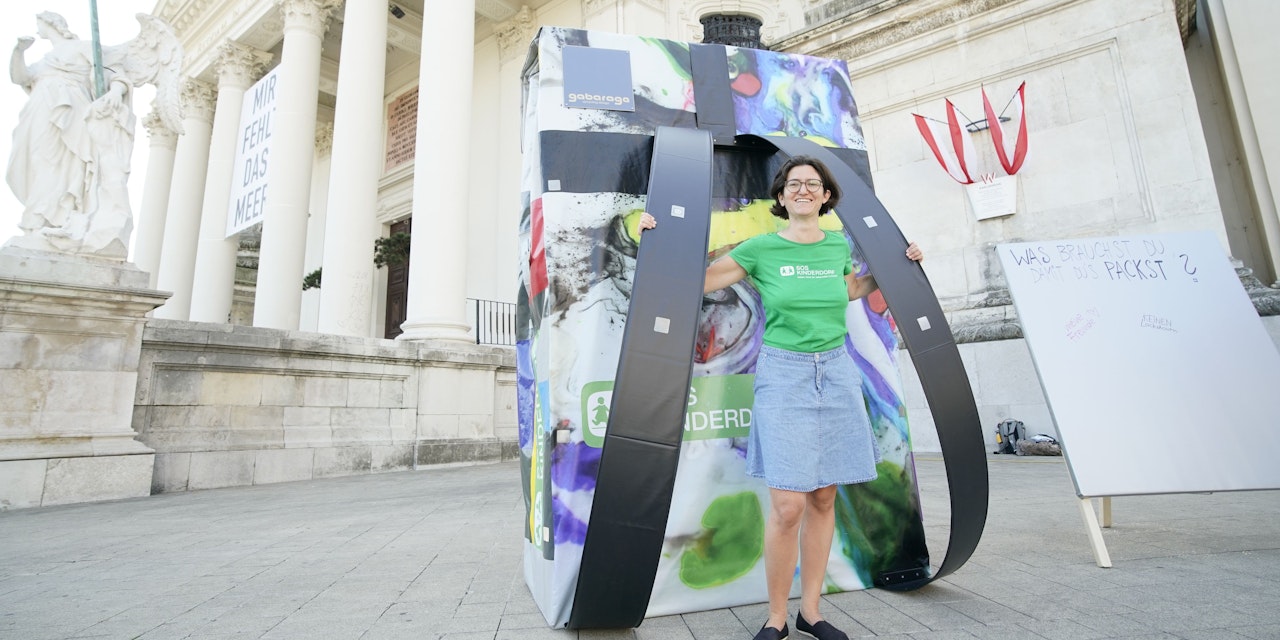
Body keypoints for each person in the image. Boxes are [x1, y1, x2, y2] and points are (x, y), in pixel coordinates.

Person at [639, 155, 922, 640]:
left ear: (826, 196)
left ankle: (811, 613)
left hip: (836, 374)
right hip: (784, 376)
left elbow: (853, 288)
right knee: (789, 505)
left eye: (813, 184)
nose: (803, 190)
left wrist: (901, 265)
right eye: (795, 184)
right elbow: (699, 280)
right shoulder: (761, 249)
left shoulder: (837, 246)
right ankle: (776, 617)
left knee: (824, 496)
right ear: (782, 195)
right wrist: (657, 240)